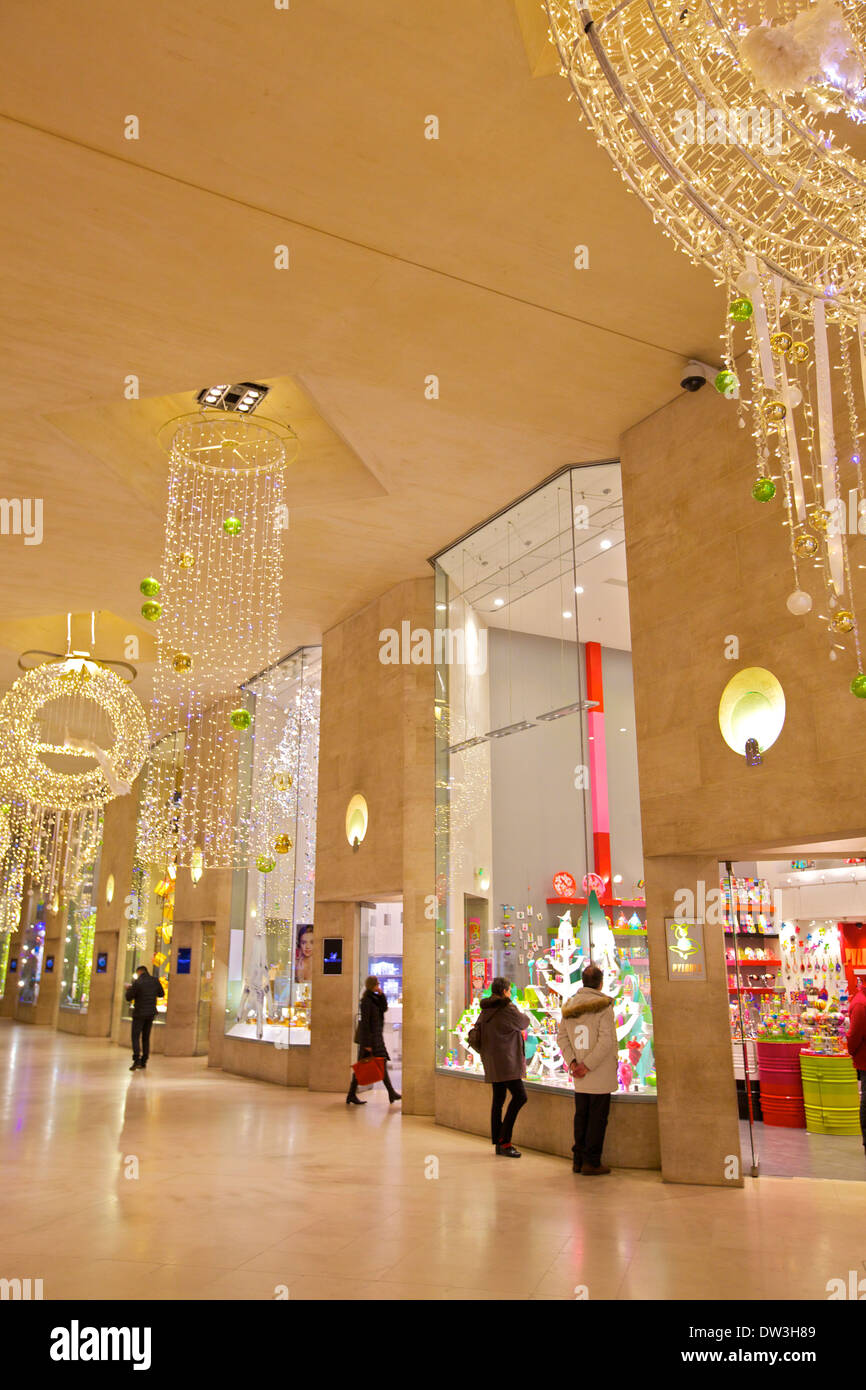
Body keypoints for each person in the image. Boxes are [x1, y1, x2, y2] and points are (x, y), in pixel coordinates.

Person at [557, 963, 617, 1175]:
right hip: (598, 1074)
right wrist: (587, 1066)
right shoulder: (603, 1007)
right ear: (601, 984)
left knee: (581, 1117)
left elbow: (562, 1037)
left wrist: (573, 1062)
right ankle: (592, 1161)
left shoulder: (569, 1005)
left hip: (579, 1076)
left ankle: (578, 1160)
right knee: (597, 1119)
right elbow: (606, 1041)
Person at [471, 977, 530, 1158]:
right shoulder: (507, 1008)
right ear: (504, 991)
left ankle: (499, 1142)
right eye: (509, 990)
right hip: (507, 1061)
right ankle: (505, 1140)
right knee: (520, 1096)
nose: (510, 994)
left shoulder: (486, 1009)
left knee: (498, 1100)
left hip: (492, 1061)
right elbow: (524, 1022)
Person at [346, 975, 401, 1106]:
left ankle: (352, 1094)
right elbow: (365, 1023)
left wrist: (382, 995)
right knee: (366, 1066)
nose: (378, 986)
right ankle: (390, 1092)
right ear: (372, 985)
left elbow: (384, 1008)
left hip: (376, 1037)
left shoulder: (375, 998)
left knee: (375, 1065)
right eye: (377, 984)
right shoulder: (366, 1001)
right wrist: (368, 1044)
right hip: (370, 1040)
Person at [125, 965, 165, 1071]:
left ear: (139, 972)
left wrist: (128, 989)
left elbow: (128, 997)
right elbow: (161, 994)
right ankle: (144, 1060)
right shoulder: (155, 981)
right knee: (146, 1037)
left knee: (135, 1036)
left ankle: (136, 1059)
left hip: (139, 1013)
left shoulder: (138, 982)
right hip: (150, 1013)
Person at [846, 973, 866, 1154]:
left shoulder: (860, 1001)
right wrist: (852, 1051)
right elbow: (855, 1035)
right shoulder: (861, 1003)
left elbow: (853, 1036)